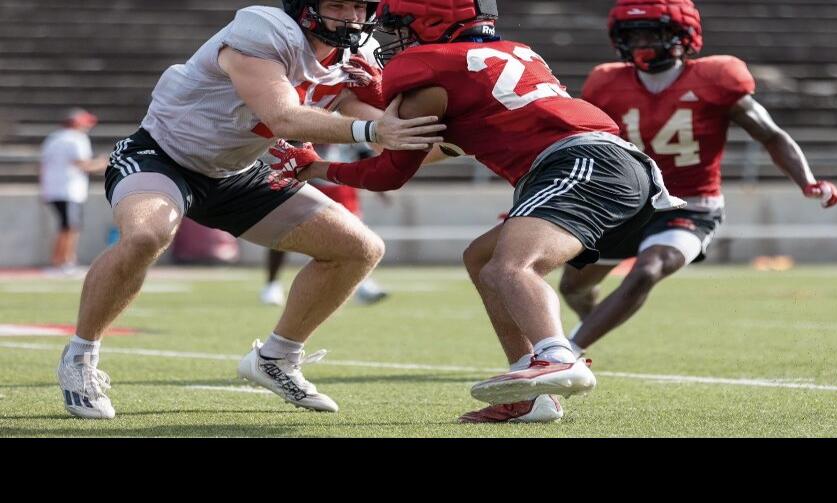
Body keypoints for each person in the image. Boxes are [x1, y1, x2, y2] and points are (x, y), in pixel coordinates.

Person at [282, 0, 685, 423]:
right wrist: (373, 101)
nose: (399, 40)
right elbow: (428, 148)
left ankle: (557, 355)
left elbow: (390, 169)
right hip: (605, 166)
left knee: (510, 267)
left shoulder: (430, 72)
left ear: (434, 22)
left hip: (582, 165)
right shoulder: (500, 59)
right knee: (483, 258)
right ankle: (534, 395)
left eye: (404, 28)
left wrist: (317, 167)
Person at [56, 0, 445, 419]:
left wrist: (461, 139)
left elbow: (396, 143)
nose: (351, 17)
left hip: (236, 172)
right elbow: (284, 119)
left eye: (359, 7)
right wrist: (374, 128)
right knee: (147, 235)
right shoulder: (264, 31)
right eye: (337, 4)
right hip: (163, 155)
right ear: (305, 7)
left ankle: (276, 358)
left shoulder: (356, 58)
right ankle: (80, 358)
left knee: (359, 248)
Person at [558, 0, 837, 356]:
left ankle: (564, 354)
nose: (642, 42)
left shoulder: (715, 79)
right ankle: (589, 331)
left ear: (682, 35)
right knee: (572, 288)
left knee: (648, 269)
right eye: (633, 34)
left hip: (690, 205)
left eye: (652, 32)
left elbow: (771, 135)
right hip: (625, 204)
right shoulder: (606, 83)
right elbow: (586, 147)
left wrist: (807, 181)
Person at [260, 142, 389, 306]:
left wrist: (378, 184)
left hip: (341, 184)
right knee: (285, 231)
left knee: (354, 235)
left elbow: (363, 153)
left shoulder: (349, 118)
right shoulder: (304, 117)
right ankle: (272, 284)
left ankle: (362, 283)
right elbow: (286, 142)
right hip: (305, 182)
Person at [39, 108, 109, 274]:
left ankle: (60, 261)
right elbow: (82, 163)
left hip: (54, 188)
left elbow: (43, 165)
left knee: (66, 226)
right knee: (70, 227)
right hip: (69, 189)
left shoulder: (53, 138)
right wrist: (102, 163)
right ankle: (64, 261)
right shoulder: (77, 139)